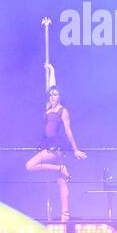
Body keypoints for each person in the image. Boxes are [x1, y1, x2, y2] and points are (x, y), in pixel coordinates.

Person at [24, 86, 87, 222]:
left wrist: (75, 149)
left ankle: (60, 168)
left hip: (56, 148)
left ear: (60, 97)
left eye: (56, 94)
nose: (53, 97)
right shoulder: (48, 111)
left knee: (29, 165)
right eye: (51, 95)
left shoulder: (62, 111)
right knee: (61, 182)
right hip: (48, 145)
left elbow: (68, 131)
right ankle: (65, 215)